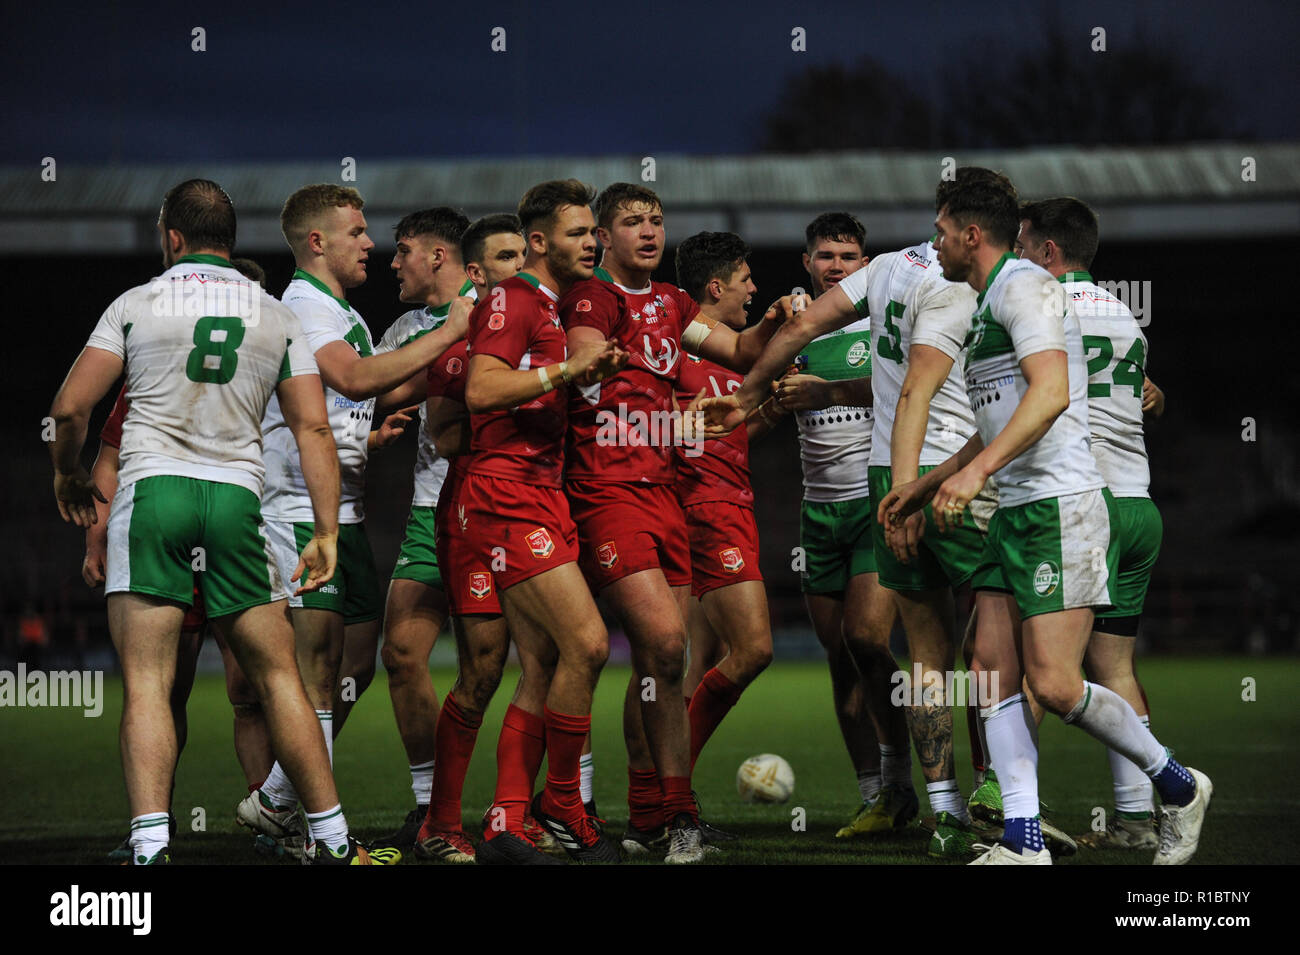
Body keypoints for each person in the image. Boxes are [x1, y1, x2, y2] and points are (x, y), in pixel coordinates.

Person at [50, 178, 391, 863]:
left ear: (172, 236)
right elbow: (312, 428)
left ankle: (150, 844)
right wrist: (326, 531)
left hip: (155, 495)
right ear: (230, 240)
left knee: (150, 683)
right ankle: (331, 838)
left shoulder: (136, 303)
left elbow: (69, 409)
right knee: (280, 679)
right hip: (237, 502)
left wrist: (67, 472)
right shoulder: (277, 314)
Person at [880, 174, 1209, 865]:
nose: (934, 244)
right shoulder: (986, 303)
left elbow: (1052, 392)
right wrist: (926, 484)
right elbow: (997, 421)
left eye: (941, 231)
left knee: (1054, 685)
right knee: (990, 671)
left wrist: (974, 474)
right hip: (1015, 510)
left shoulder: (1026, 287)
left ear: (972, 235)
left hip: (1061, 507)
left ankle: (1179, 785)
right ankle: (1022, 840)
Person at [556, 183, 783, 862]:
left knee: (665, 660)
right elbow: (585, 356)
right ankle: (633, 809)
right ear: (603, 235)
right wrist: (600, 362)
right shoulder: (593, 297)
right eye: (633, 221)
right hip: (607, 492)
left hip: (663, 494)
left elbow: (740, 351)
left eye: (655, 220)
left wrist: (778, 320)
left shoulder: (672, 302)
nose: (649, 231)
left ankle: (655, 816)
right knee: (661, 641)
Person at [240, 184, 464, 855]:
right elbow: (355, 379)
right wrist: (454, 331)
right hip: (299, 515)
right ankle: (321, 834)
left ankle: (276, 798)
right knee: (316, 674)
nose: (371, 244)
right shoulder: (304, 307)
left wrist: (455, 361)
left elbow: (372, 391)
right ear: (318, 242)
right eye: (358, 232)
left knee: (356, 665)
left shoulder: (342, 310)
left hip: (347, 515)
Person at [463, 180, 628, 864]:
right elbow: (480, 388)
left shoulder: (552, 307)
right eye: (577, 233)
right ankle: (561, 801)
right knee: (588, 643)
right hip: (506, 494)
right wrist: (565, 371)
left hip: (540, 491)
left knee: (543, 663)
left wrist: (585, 370)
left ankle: (505, 820)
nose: (592, 243)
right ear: (538, 241)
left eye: (593, 232)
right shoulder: (514, 298)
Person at [1015, 196, 1167, 850]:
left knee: (1032, 668)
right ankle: (1136, 820)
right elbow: (1141, 394)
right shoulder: (1124, 316)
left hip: (1083, 505)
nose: (1015, 256)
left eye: (1023, 244)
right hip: (1139, 504)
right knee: (1115, 666)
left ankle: (1011, 814)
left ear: (1048, 251)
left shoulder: (1042, 307)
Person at [370, 207, 477, 850]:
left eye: (403, 250)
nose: (393, 263)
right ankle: (430, 806)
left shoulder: (495, 307)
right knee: (402, 654)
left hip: (500, 506)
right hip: (429, 510)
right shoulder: (408, 328)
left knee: (530, 661)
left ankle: (566, 801)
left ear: (437, 255)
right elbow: (371, 391)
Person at [672, 232, 777, 834]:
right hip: (707, 510)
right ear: (716, 287)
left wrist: (770, 411)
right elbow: (656, 427)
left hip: (731, 502)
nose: (753, 289)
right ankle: (664, 790)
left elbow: (722, 433)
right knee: (754, 649)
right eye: (745, 280)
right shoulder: (675, 347)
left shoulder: (731, 357)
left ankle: (669, 806)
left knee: (697, 665)